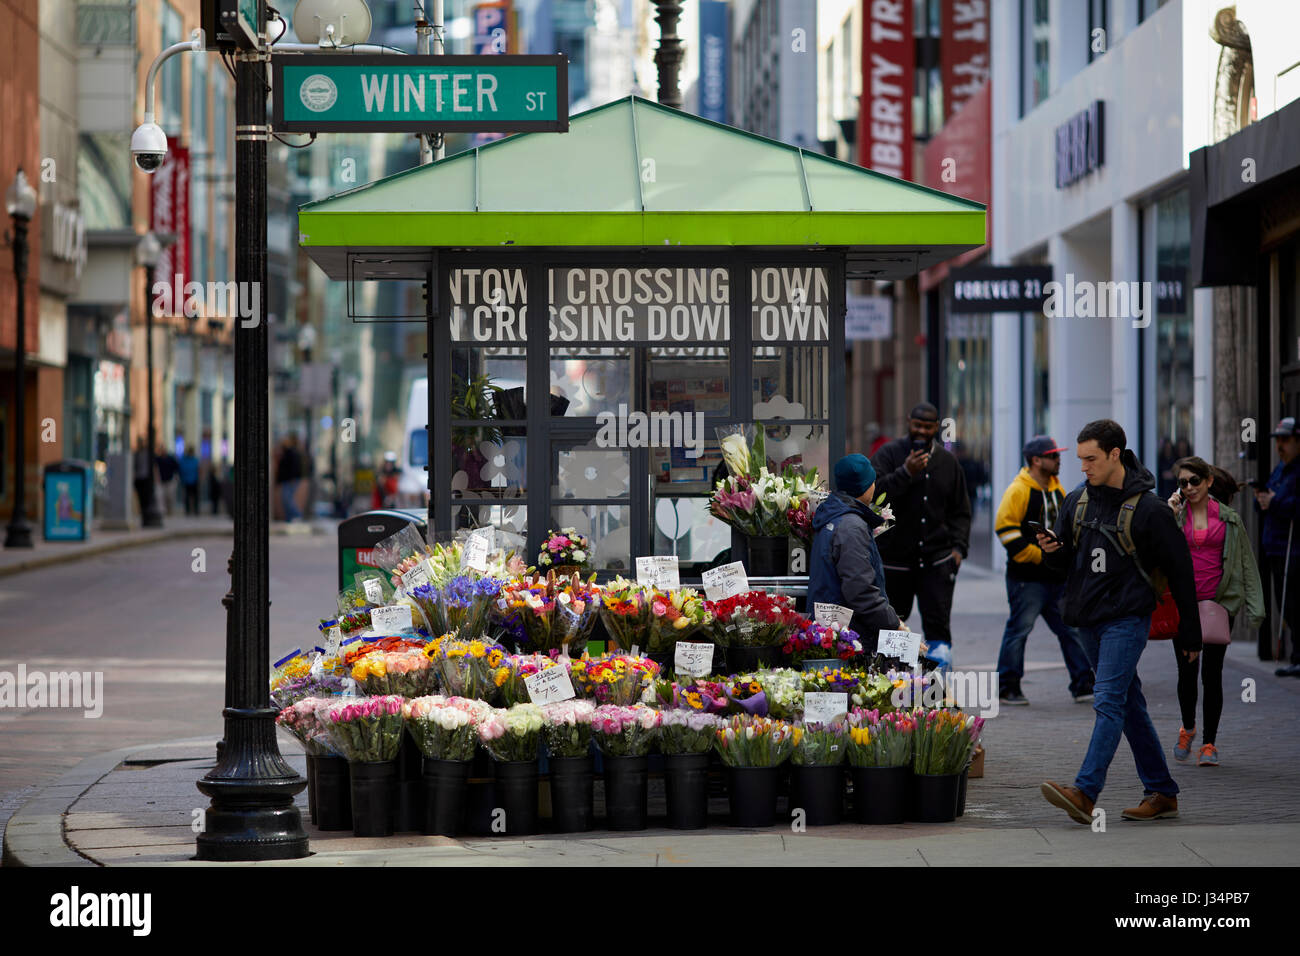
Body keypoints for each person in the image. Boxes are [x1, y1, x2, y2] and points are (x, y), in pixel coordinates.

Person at [1037, 419, 1200, 825]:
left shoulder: (1150, 510)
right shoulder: (1076, 501)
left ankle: (1085, 791)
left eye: (1091, 459)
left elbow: (1181, 573)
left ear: (1115, 454)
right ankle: (1162, 791)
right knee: (1129, 703)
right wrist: (1051, 551)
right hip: (1086, 619)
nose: (1084, 467)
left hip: (1126, 619)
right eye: (1080, 459)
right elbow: (1061, 565)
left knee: (1108, 700)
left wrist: (1191, 633)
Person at [1165, 456, 1264, 766]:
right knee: (1186, 672)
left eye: (1195, 481)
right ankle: (1188, 728)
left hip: (1218, 604)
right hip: (1184, 604)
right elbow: (1156, 552)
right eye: (1183, 483)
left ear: (1208, 481)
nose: (1190, 487)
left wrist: (1255, 605)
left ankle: (1209, 743)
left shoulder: (1229, 518)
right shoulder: (1174, 517)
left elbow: (1246, 561)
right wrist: (1169, 515)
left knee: (1212, 673)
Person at [993, 436, 1095, 705]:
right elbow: (1005, 530)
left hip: (1055, 578)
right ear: (1036, 460)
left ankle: (1083, 682)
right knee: (1020, 629)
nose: (1058, 459)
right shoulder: (1018, 490)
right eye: (1053, 455)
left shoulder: (1057, 488)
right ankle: (1007, 687)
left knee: (1069, 628)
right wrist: (1041, 557)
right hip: (1027, 579)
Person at [870, 402, 971, 669]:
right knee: (892, 628)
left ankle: (938, 693)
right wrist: (905, 473)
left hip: (936, 564)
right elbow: (873, 497)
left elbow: (961, 510)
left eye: (928, 427)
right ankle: (892, 685)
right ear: (908, 422)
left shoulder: (948, 462)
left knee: (939, 631)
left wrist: (958, 551)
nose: (921, 431)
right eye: (917, 425)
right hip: (894, 563)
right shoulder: (888, 454)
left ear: (936, 428)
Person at [807, 454, 903, 653]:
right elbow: (861, 591)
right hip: (850, 637)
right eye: (873, 481)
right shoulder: (851, 526)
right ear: (866, 486)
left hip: (834, 632)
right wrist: (895, 625)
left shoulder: (832, 516)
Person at [1255, 417, 1300, 677]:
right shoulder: (1279, 470)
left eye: (1285, 440)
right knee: (1284, 602)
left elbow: (1292, 507)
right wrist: (1262, 500)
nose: (1280, 445)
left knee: (1294, 603)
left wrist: (1274, 503)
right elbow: (1268, 503)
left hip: (1292, 548)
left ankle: (1297, 654)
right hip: (1275, 547)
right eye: (1278, 440)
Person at [276, 434, 304, 522]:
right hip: (288, 480)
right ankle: (290, 519)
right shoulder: (286, 452)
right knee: (286, 500)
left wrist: (292, 478)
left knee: (288, 500)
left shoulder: (292, 452)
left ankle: (297, 515)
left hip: (290, 480)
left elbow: (293, 467)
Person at [132, 438, 154, 519]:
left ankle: (146, 512)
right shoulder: (136, 453)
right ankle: (143, 512)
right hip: (138, 478)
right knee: (141, 496)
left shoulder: (147, 453)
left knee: (146, 497)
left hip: (146, 478)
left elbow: (153, 466)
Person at [155, 444, 179, 515]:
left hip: (170, 480)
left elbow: (176, 468)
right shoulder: (158, 459)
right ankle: (163, 511)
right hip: (161, 481)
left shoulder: (170, 459)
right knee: (161, 497)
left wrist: (176, 478)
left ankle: (170, 510)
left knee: (170, 496)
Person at [179, 444, 200, 516]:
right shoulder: (184, 460)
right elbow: (181, 470)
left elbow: (198, 470)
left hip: (194, 480)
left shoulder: (195, 460)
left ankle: (195, 510)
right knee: (187, 497)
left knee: (195, 496)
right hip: (187, 481)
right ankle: (188, 511)